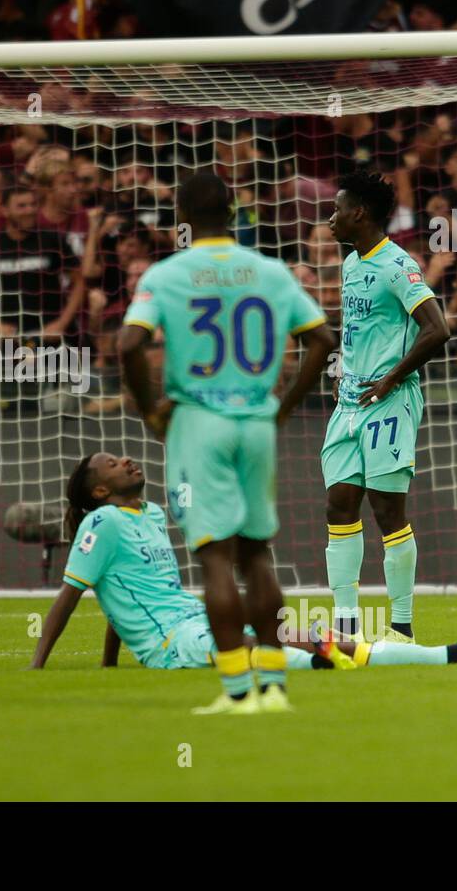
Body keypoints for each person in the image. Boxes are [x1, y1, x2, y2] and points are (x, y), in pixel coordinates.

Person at [118, 172, 336, 715]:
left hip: (200, 419)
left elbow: (129, 342)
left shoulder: (167, 274)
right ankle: (275, 688)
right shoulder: (271, 271)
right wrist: (283, 406)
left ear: (182, 220)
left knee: (215, 556)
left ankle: (238, 693)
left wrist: (149, 409)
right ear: (233, 213)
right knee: (257, 552)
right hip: (257, 422)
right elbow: (322, 339)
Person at [31, 453, 457, 672]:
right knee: (275, 646)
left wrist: (110, 664)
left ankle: (454, 653)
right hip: (176, 641)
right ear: (99, 492)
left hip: (196, 619)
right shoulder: (103, 524)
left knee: (313, 637)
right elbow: (70, 597)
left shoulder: (151, 514)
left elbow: (129, 589)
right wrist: (37, 666)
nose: (127, 460)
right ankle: (326, 662)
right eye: (113, 464)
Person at [321, 169, 450, 645]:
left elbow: (438, 328)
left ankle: (401, 628)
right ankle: (348, 627)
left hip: (391, 399)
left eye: (337, 209)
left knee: (386, 508)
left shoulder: (398, 266)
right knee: (338, 504)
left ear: (360, 213)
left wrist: (392, 376)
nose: (331, 217)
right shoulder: (352, 262)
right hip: (350, 401)